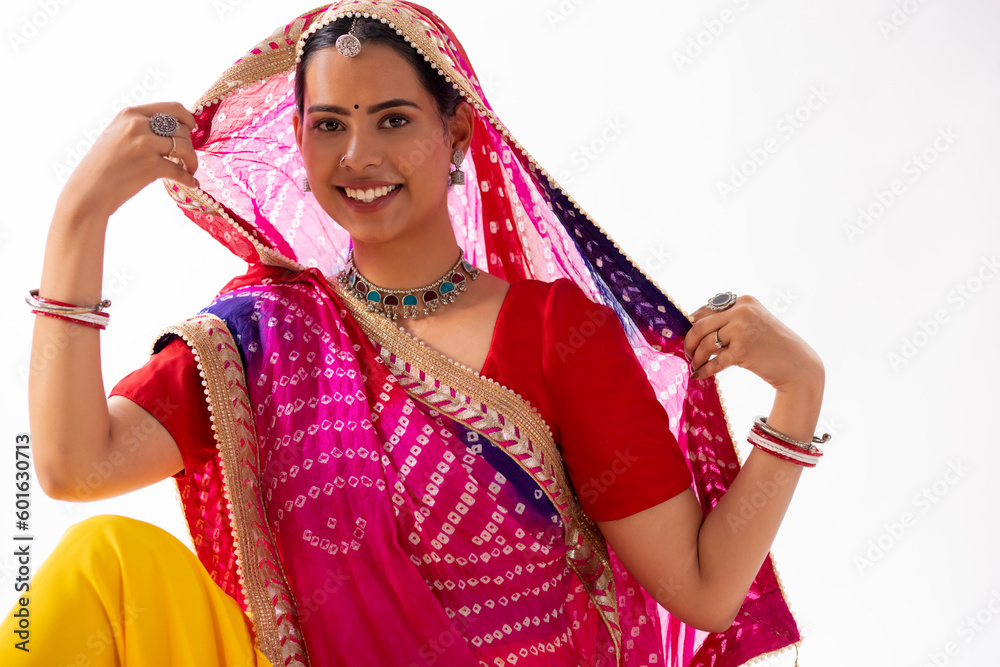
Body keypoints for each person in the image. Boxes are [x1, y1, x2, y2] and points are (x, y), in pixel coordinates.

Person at [8, 2, 827, 665]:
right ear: (299, 140)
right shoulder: (267, 336)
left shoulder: (553, 333)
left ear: (459, 135)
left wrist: (798, 390)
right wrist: (78, 219)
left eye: (393, 120)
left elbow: (703, 587)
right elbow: (77, 466)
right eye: (329, 125)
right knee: (103, 562)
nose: (359, 154)